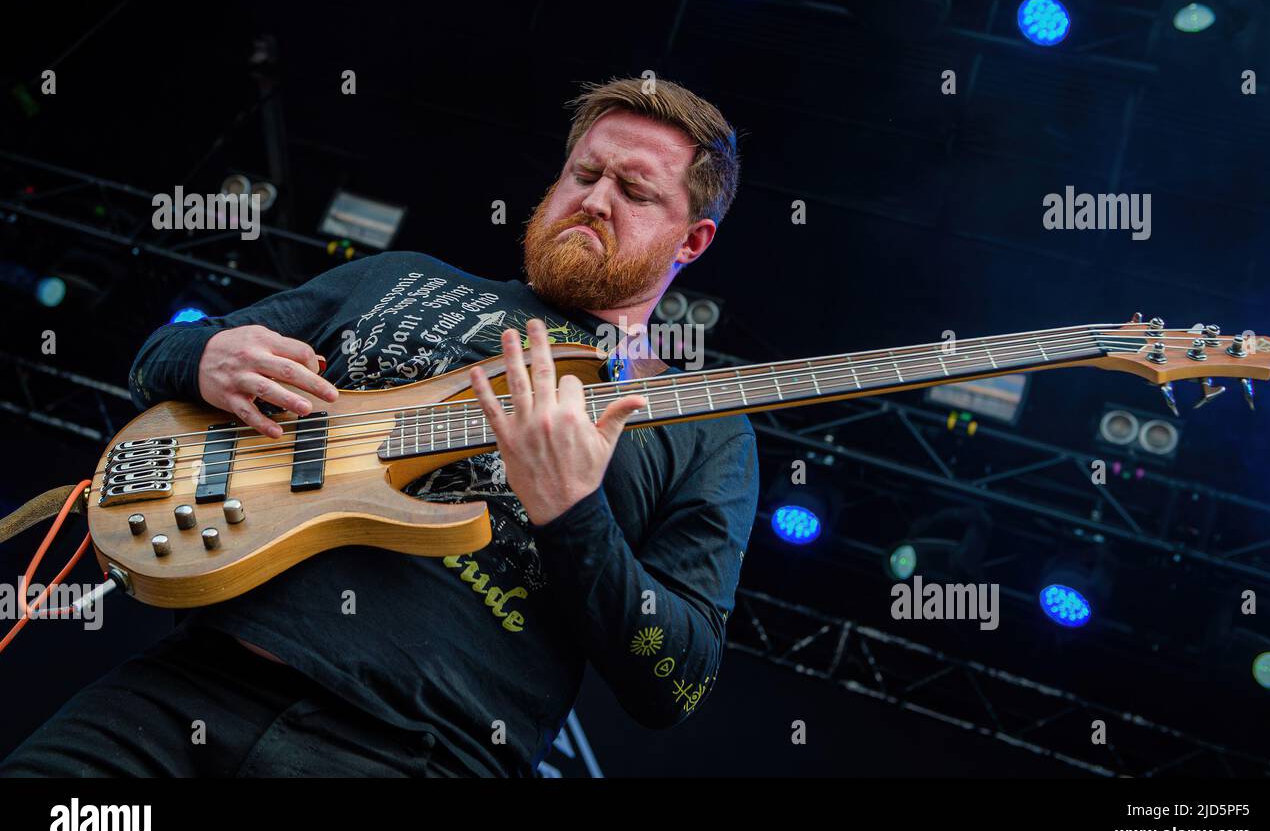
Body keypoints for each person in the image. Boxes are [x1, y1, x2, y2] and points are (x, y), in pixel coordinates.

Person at [0, 77, 758, 777]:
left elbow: (675, 681)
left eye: (633, 190)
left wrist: (574, 513)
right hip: (188, 687)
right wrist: (204, 352)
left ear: (692, 240)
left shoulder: (705, 426)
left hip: (421, 750)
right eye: (584, 174)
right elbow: (157, 356)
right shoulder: (398, 277)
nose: (595, 200)